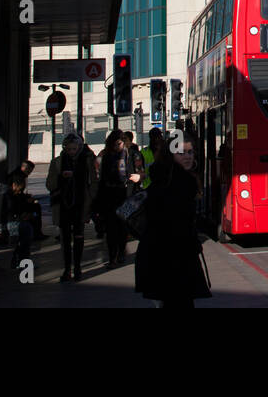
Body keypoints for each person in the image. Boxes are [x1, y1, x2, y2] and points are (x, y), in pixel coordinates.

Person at [135, 131, 211, 308]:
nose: (187, 157)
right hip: (172, 257)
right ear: (171, 155)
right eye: (181, 153)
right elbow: (177, 221)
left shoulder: (162, 176)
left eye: (190, 152)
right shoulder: (180, 182)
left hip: (160, 255)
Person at [47, 133, 96, 282]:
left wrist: (92, 203)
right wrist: (62, 177)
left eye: (74, 149)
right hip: (63, 206)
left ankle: (77, 267)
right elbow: (50, 185)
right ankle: (67, 268)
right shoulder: (57, 162)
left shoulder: (87, 162)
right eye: (69, 149)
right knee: (66, 239)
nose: (72, 152)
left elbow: (93, 183)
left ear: (80, 148)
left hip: (81, 204)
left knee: (79, 236)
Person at [97, 130, 141, 267]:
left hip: (126, 195)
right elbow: (102, 178)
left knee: (122, 226)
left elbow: (141, 172)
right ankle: (112, 257)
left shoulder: (132, 155)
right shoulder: (107, 156)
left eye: (119, 144)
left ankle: (121, 253)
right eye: (114, 144)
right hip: (110, 195)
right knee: (111, 228)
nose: (117, 147)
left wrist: (137, 177)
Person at [1, 171, 37, 265]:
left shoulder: (16, 195)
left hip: (15, 221)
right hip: (11, 222)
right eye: (20, 188)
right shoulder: (8, 196)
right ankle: (22, 260)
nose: (21, 191)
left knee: (27, 229)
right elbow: (9, 211)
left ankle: (22, 260)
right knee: (25, 230)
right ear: (14, 185)